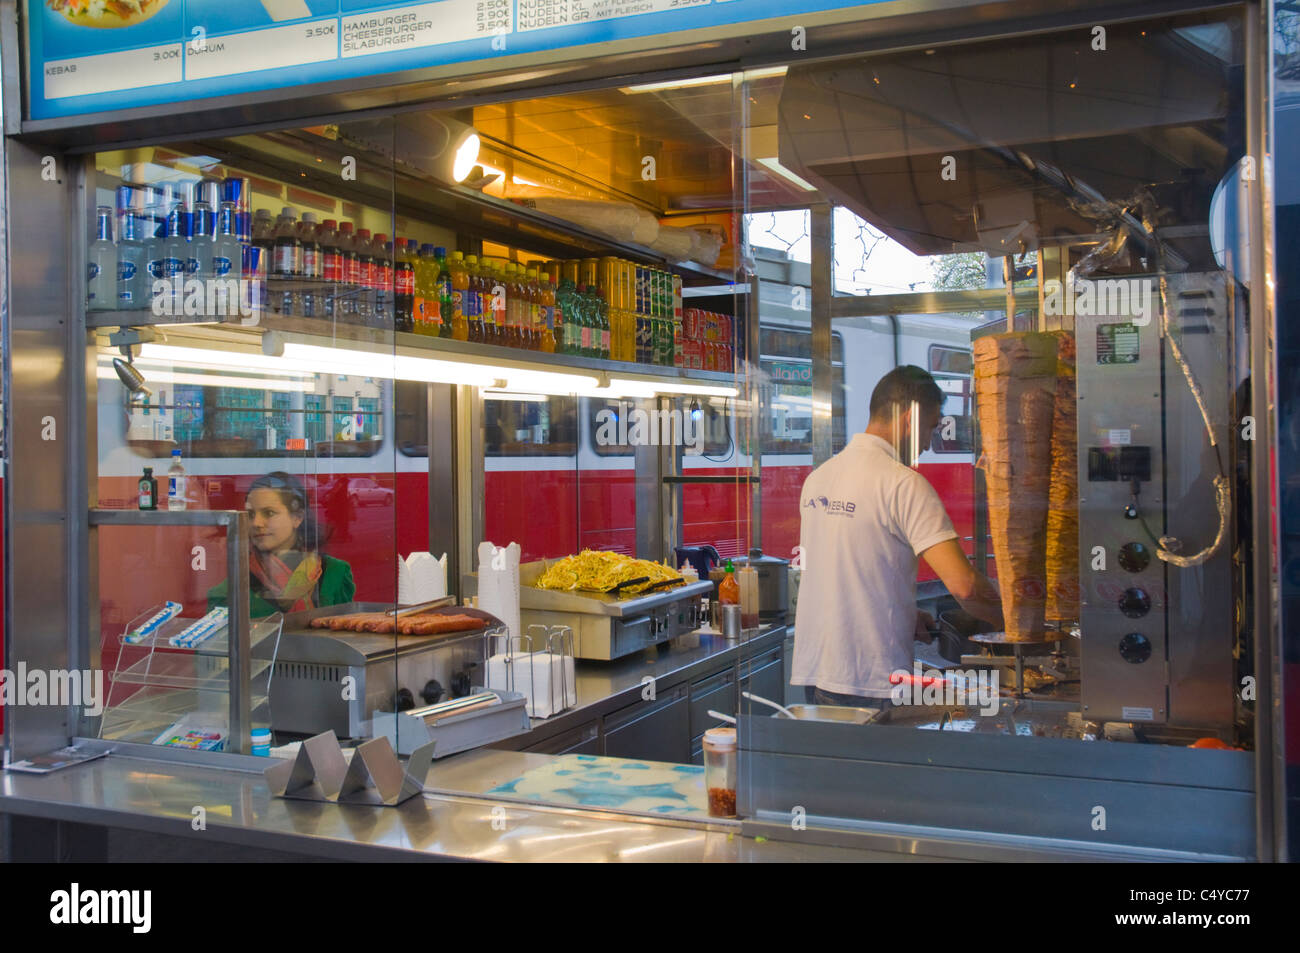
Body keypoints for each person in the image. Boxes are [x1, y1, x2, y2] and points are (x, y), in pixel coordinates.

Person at [791, 365, 1003, 708]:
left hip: (816, 674)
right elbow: (965, 587)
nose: (929, 440)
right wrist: (1014, 624)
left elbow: (844, 571)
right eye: (931, 427)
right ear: (910, 418)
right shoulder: (903, 483)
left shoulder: (819, 478)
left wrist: (902, 612)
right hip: (871, 681)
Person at [208, 471, 355, 617]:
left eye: (269, 513)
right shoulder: (231, 587)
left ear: (297, 517)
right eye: (251, 514)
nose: (256, 523)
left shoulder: (334, 573)